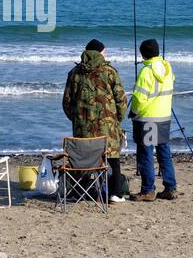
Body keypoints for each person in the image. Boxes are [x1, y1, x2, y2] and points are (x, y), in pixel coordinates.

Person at [61, 39, 128, 203]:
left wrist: (78, 119)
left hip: (82, 127)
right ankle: (115, 193)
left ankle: (79, 191)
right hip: (108, 125)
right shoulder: (110, 71)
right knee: (112, 157)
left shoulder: (75, 72)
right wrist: (117, 119)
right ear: (100, 52)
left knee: (82, 158)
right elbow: (121, 99)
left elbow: (67, 102)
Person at [128, 38, 178, 201]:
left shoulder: (146, 71)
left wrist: (133, 112)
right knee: (164, 152)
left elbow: (139, 98)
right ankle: (170, 188)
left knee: (146, 154)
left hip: (147, 118)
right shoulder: (167, 68)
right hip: (164, 116)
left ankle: (148, 190)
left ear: (143, 55)